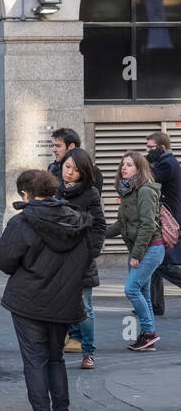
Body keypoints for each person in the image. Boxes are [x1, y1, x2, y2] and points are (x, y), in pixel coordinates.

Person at [0, 169, 91, 411]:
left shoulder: (22, 222)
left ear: (26, 194)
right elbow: (86, 259)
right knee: (55, 358)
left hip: (30, 300)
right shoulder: (74, 220)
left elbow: (4, 261)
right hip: (64, 300)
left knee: (35, 360)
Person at [105, 151, 163, 352]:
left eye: (129, 165)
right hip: (139, 248)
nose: (124, 168)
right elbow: (121, 224)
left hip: (151, 248)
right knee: (143, 293)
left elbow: (148, 225)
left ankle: (149, 333)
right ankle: (148, 339)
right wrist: (97, 233)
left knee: (131, 289)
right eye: (123, 164)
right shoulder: (128, 192)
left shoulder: (145, 191)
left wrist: (137, 255)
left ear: (139, 168)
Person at [59, 149, 107, 369]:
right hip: (58, 259)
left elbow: (99, 226)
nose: (69, 173)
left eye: (75, 170)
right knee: (59, 305)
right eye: (67, 167)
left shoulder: (90, 194)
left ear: (83, 173)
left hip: (82, 259)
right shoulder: (55, 191)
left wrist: (91, 251)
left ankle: (88, 352)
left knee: (86, 307)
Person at [144, 131, 181, 302]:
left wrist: (144, 163)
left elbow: (148, 180)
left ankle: (155, 304)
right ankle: (155, 304)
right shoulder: (165, 161)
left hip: (168, 220)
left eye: (151, 147)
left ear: (162, 147)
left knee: (162, 265)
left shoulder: (167, 163)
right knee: (155, 264)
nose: (147, 150)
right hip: (165, 218)